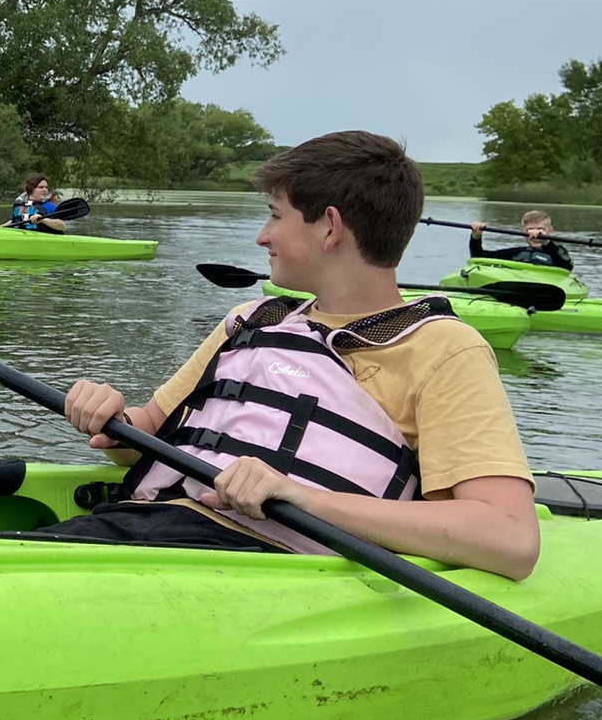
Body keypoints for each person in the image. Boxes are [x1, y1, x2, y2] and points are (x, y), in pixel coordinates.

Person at [57, 130, 539, 581]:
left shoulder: (444, 350)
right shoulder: (253, 320)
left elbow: (510, 538)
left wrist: (302, 498)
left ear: (329, 228)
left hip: (263, 567)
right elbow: (144, 436)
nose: (262, 236)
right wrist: (111, 419)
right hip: (139, 525)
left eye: (275, 215)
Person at [467, 210, 572, 271]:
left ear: (550, 231)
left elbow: (567, 266)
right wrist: (476, 237)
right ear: (523, 231)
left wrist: (545, 242)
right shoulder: (516, 253)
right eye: (529, 230)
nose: (534, 234)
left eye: (540, 229)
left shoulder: (558, 252)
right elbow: (478, 257)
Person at [1, 175, 66, 233]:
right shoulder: (20, 205)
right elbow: (15, 221)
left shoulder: (49, 206)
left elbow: (62, 226)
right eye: (41, 187)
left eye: (46, 187)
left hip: (44, 239)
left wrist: (43, 220)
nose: (45, 190)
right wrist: (1, 227)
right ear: (31, 188)